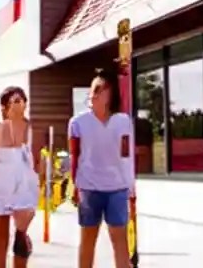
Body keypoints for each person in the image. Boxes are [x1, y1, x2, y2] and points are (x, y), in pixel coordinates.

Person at [69, 67, 135, 268]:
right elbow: (75, 156)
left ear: (111, 93)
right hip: (89, 188)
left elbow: (127, 156)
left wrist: (131, 189)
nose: (95, 93)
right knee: (88, 240)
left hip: (116, 188)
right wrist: (75, 186)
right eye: (93, 89)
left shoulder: (123, 122)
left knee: (120, 242)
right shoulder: (78, 122)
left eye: (101, 89)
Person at [0, 86, 40, 268]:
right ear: (3, 107)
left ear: (25, 103)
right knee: (1, 241)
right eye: (10, 102)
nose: (15, 105)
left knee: (20, 237)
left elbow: (36, 161)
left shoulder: (30, 128)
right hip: (1, 186)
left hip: (23, 185)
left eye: (18, 100)